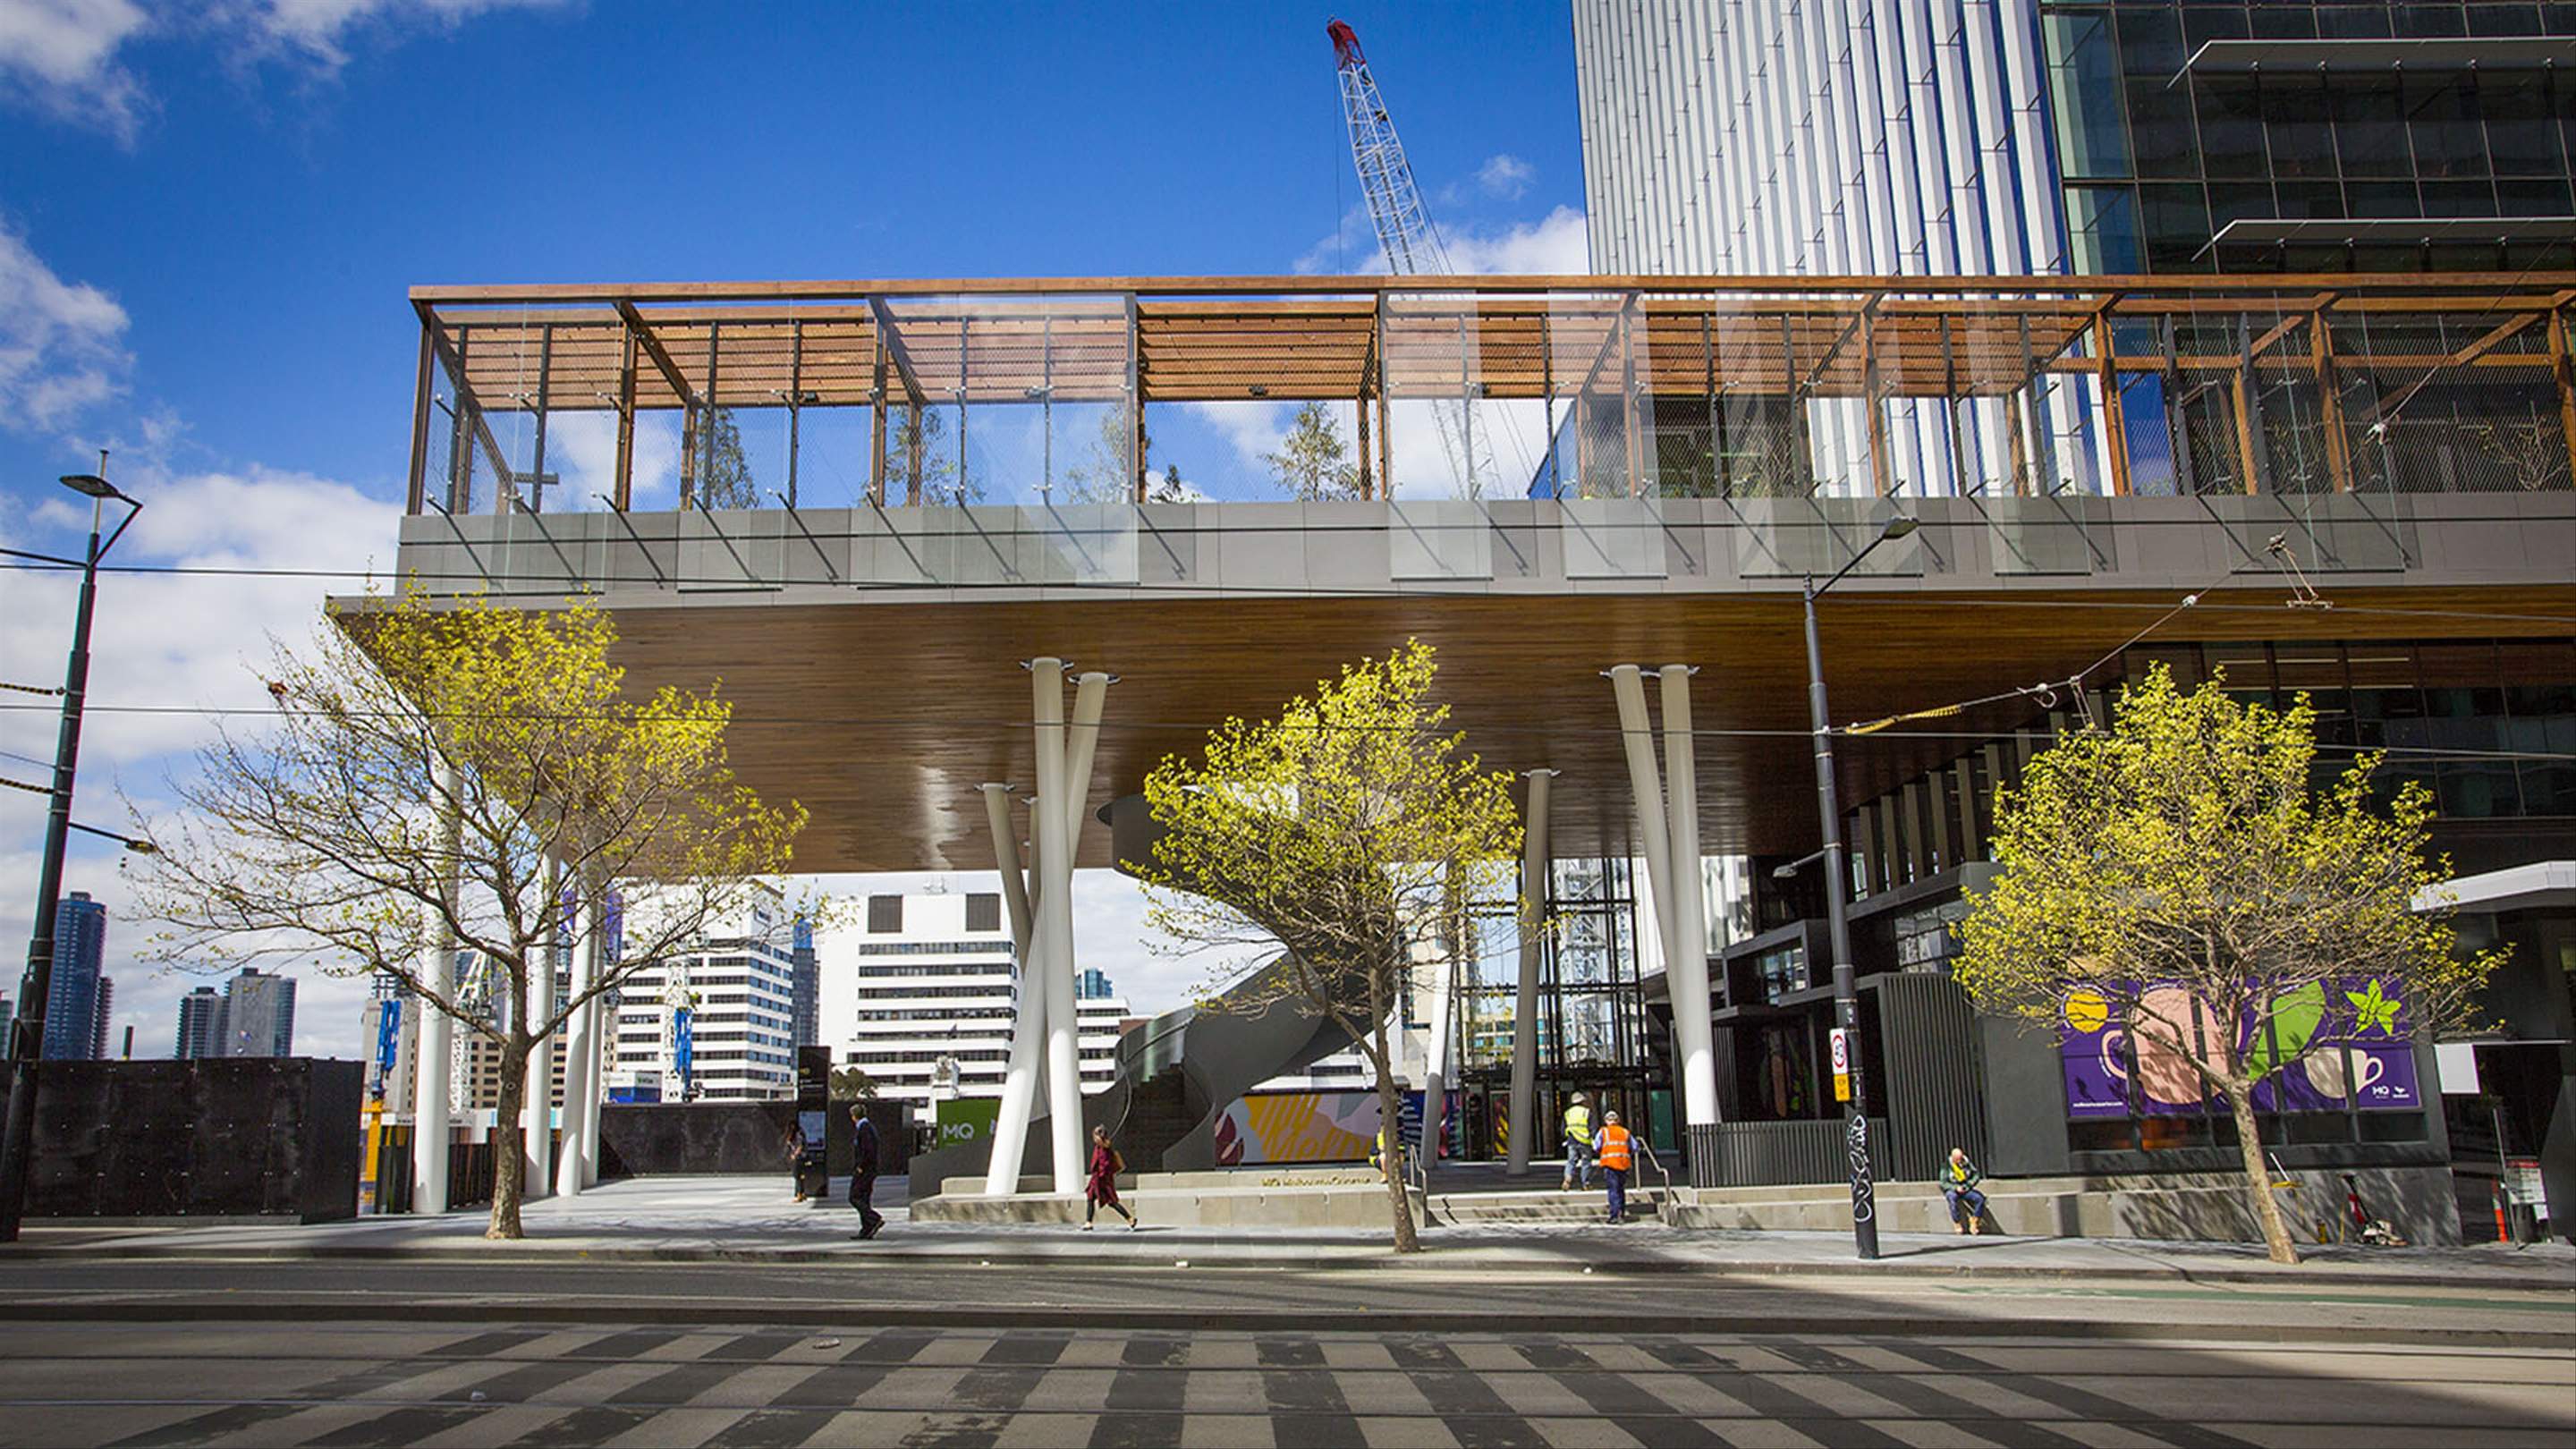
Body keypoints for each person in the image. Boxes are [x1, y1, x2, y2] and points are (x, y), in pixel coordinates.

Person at [1083, 1124, 1137, 1231]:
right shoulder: (1099, 1147)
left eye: (1095, 1136)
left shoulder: (1105, 1149)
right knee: (1090, 1197)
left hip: (1103, 1181)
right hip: (1096, 1180)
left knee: (1111, 1202)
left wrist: (1100, 1178)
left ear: (1100, 1137)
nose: (1094, 1139)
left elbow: (1105, 1166)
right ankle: (1088, 1222)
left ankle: (1130, 1218)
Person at [849, 1101, 885, 1240]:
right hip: (870, 1168)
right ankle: (867, 1228)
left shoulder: (864, 1128)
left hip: (865, 1169)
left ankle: (874, 1218)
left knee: (854, 1196)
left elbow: (868, 1149)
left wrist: (860, 1166)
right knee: (864, 1198)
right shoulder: (867, 1127)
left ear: (854, 1116)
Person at [1594, 1110, 1636, 1224]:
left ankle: (1614, 1215)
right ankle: (1621, 1213)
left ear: (1606, 1121)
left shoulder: (1603, 1131)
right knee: (1620, 1189)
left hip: (1610, 1164)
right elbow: (1635, 1146)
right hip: (1623, 1164)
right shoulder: (1625, 1132)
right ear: (1618, 1121)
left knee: (1613, 1190)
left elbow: (1596, 1146)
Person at [1940, 1147, 1987, 1235]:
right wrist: (1955, 1188)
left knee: (1979, 1198)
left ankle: (1974, 1220)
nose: (1959, 1161)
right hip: (1953, 1189)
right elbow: (1943, 1183)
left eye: (1960, 1159)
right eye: (1957, 1160)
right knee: (1952, 1199)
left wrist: (1968, 1185)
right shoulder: (1946, 1166)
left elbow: (1976, 1175)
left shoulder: (1966, 1163)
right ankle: (1957, 1223)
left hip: (1965, 1188)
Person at [1561, 1094, 1595, 1191]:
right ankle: (1585, 1183)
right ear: (1582, 1102)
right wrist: (1593, 1137)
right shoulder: (1587, 1112)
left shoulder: (1568, 1113)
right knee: (1586, 1162)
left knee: (1571, 1161)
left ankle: (1568, 1177)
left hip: (1572, 1140)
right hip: (1584, 1140)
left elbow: (1563, 1129)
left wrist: (1566, 1136)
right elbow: (1593, 1127)